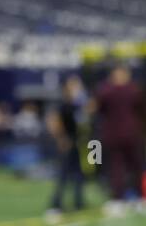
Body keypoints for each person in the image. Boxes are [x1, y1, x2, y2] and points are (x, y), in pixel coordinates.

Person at [92, 63, 144, 208]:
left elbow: (97, 110)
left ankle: (123, 198)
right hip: (129, 134)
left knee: (122, 167)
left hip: (117, 134)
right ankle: (135, 197)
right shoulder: (134, 90)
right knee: (128, 167)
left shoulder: (106, 91)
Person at [45, 74, 87, 215]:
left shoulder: (79, 103)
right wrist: (61, 138)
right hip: (67, 142)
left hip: (79, 142)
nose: (76, 88)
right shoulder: (62, 103)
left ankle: (78, 201)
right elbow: (54, 121)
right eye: (73, 85)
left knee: (80, 174)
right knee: (63, 174)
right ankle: (56, 204)